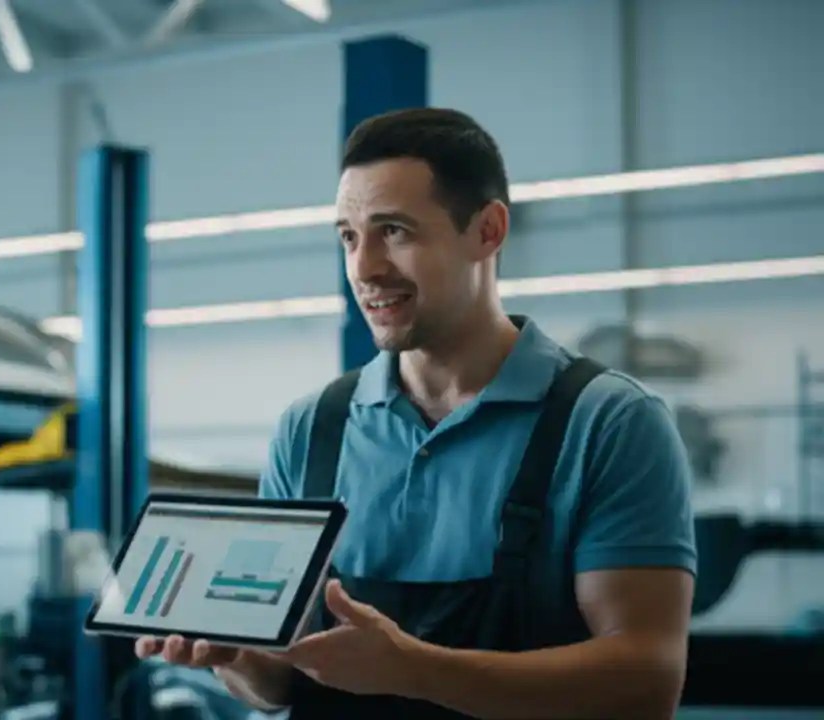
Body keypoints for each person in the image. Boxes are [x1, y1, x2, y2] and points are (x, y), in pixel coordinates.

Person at [137, 108, 696, 719]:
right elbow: (277, 684)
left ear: (488, 231)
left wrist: (414, 670)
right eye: (349, 237)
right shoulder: (311, 429)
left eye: (395, 232)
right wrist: (235, 656)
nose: (364, 268)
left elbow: (645, 683)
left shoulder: (608, 424)